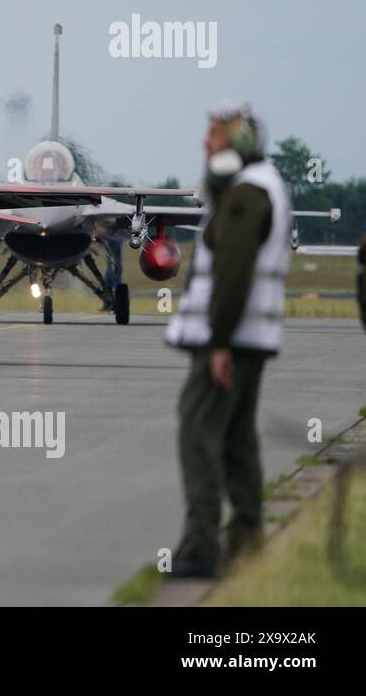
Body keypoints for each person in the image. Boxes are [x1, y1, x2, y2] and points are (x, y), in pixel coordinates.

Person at [164, 101, 291, 579]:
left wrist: (218, 342)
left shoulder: (246, 195)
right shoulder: (264, 187)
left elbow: (233, 271)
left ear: (237, 143)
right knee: (237, 438)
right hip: (249, 337)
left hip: (232, 340)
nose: (205, 142)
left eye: (214, 134)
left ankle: (200, 545)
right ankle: (246, 542)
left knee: (197, 427)